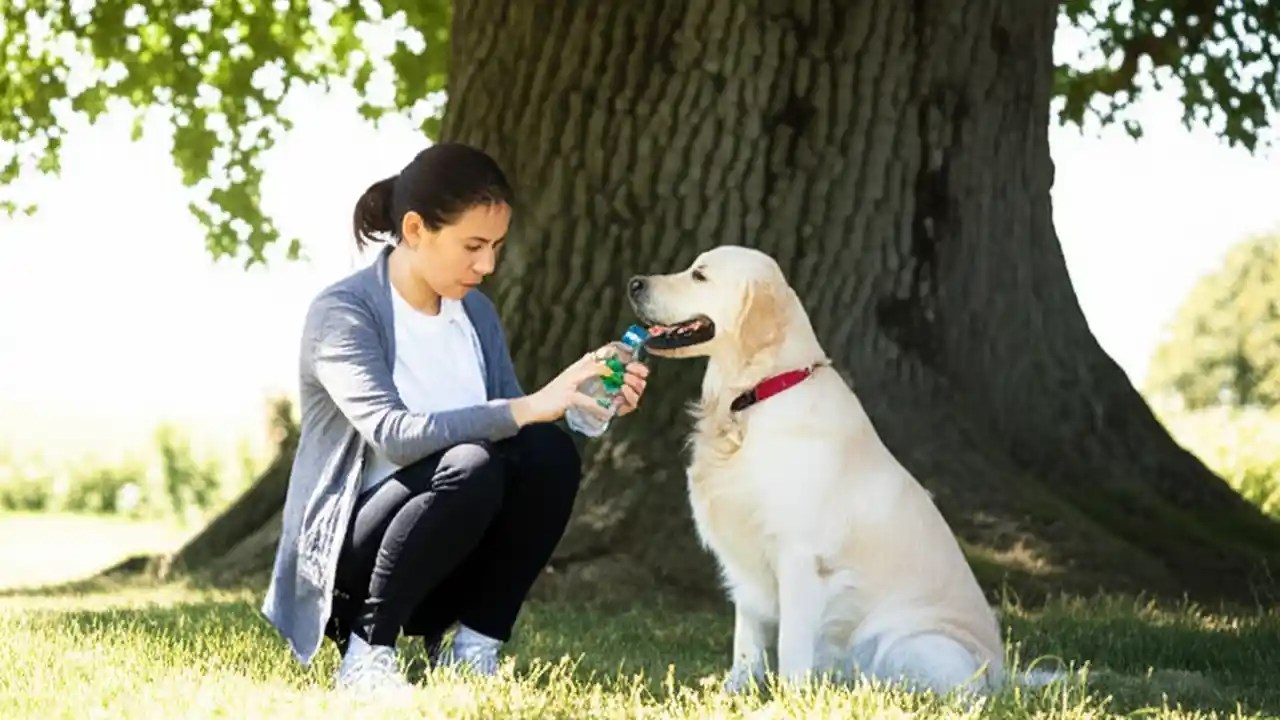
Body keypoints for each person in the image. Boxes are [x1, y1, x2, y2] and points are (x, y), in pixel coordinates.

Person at [260, 142, 648, 692]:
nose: (486, 266)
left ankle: (473, 650)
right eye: (472, 246)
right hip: (355, 570)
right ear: (416, 230)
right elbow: (392, 436)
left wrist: (585, 406)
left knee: (548, 452)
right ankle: (367, 654)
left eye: (495, 247)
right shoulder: (344, 313)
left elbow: (518, 432)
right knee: (470, 463)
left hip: (449, 554)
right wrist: (530, 405)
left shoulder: (475, 314)